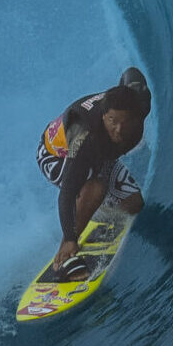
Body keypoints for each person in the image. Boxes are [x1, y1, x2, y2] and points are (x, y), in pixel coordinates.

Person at [37, 67, 151, 278]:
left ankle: (95, 211)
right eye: (112, 122)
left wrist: (126, 89)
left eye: (125, 123)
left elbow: (131, 73)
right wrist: (70, 237)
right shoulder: (84, 137)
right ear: (103, 116)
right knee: (96, 188)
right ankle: (64, 256)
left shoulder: (139, 104)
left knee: (134, 204)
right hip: (56, 155)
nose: (119, 129)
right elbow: (67, 193)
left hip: (100, 156)